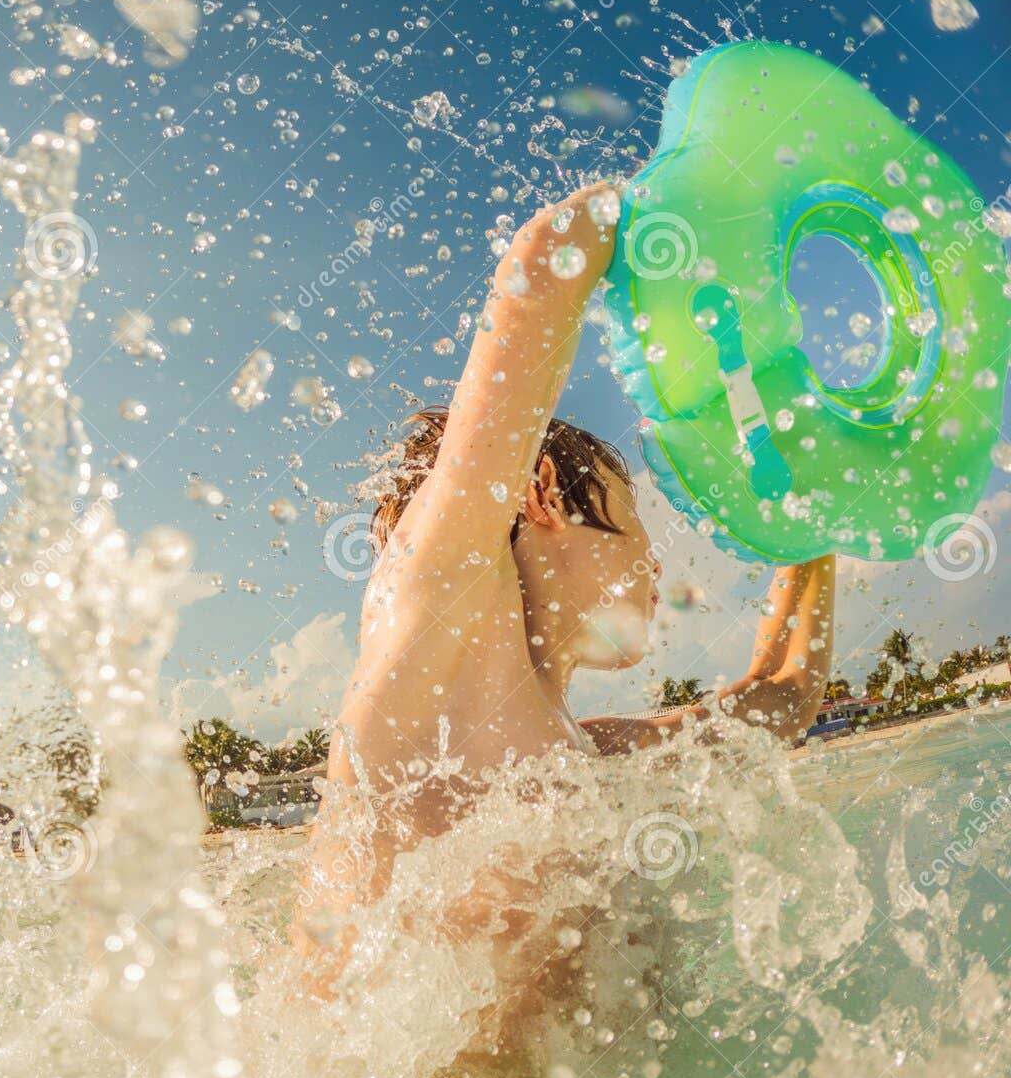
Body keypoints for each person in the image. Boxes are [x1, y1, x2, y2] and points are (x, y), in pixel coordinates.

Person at [296, 182, 834, 988]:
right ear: (542, 495)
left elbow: (782, 698)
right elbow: (546, 262)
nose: (654, 568)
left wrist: (813, 533)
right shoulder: (438, 616)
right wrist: (676, 223)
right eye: (631, 526)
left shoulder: (591, 752)